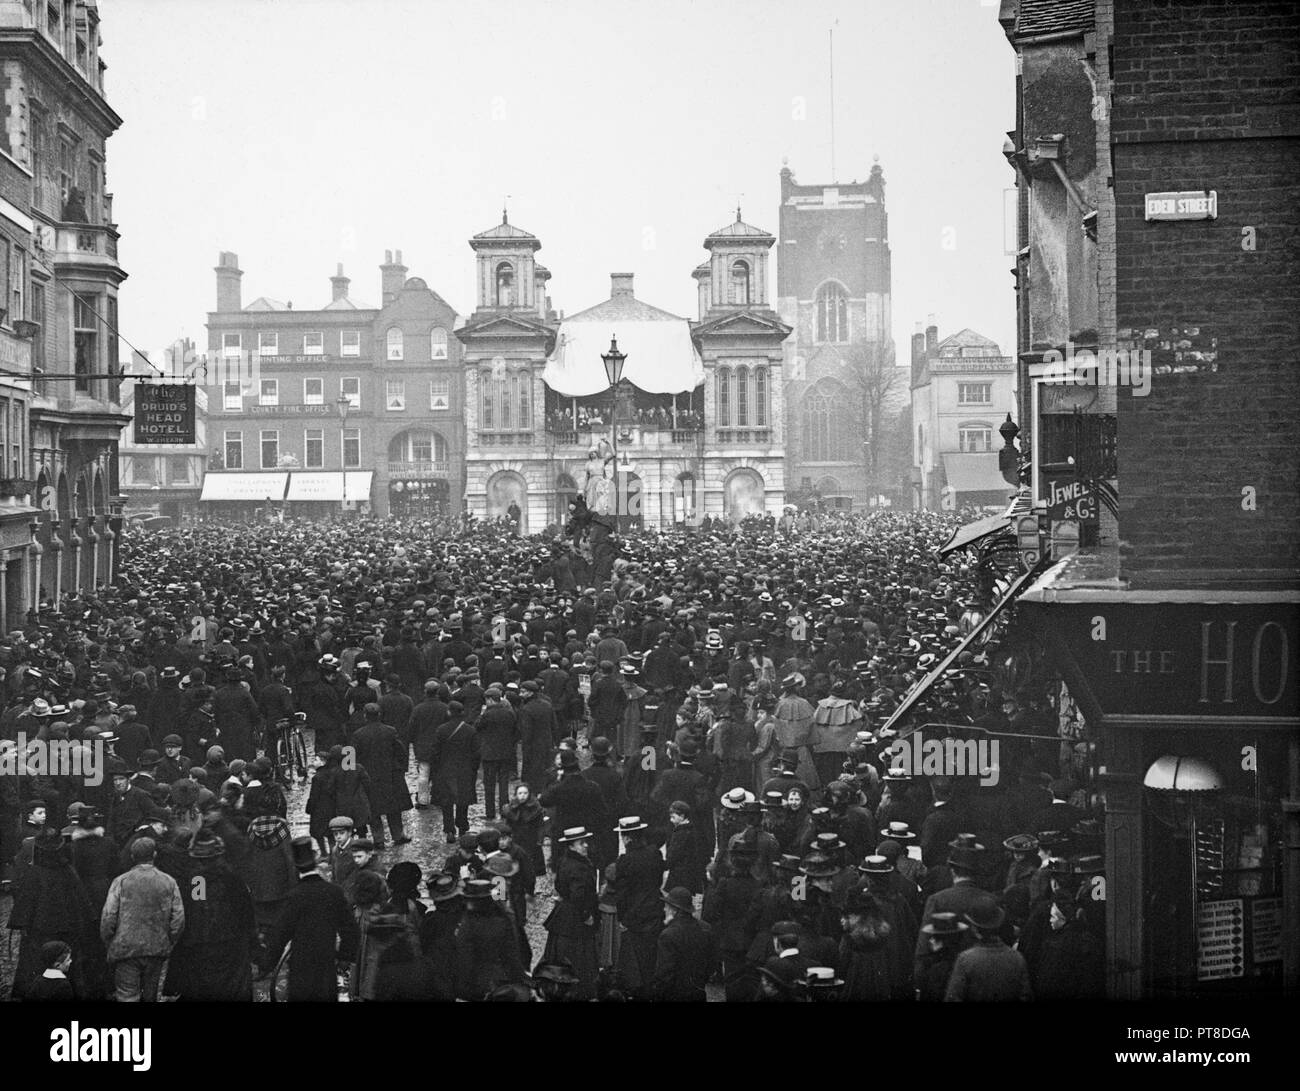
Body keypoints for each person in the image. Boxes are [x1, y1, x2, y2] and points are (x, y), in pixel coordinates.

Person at [260, 837, 359, 1002]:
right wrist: (343, 958)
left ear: (295, 866)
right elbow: (351, 932)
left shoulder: (293, 896)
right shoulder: (333, 892)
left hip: (300, 970)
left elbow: (279, 936)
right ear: (314, 862)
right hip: (326, 966)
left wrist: (266, 963)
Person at [100, 836, 186, 1002]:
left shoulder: (120, 881)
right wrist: (170, 940)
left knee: (127, 995)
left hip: (125, 947)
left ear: (132, 856)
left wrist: (110, 941)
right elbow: (178, 918)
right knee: (151, 995)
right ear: (154, 855)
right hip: (157, 947)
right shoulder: (169, 881)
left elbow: (108, 916)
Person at [542, 826, 599, 1001]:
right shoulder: (579, 867)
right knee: (580, 958)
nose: (586, 846)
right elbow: (578, 896)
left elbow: (559, 886)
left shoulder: (565, 861)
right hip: (576, 919)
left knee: (560, 955)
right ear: (572, 846)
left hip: (564, 915)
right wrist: (586, 915)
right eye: (581, 843)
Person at [351, 703, 412, 848]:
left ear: (365, 716)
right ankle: (397, 835)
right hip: (390, 776)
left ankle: (378, 839)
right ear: (379, 715)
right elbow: (401, 751)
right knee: (394, 807)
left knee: (373, 808)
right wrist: (401, 769)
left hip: (368, 777)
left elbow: (349, 758)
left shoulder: (357, 734)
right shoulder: (390, 731)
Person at [944, 902, 1032, 1002]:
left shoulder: (965, 960)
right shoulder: (1017, 958)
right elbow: (1025, 996)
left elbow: (953, 997)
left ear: (975, 928)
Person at [652, 886, 715, 1002]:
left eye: (666, 906)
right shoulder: (706, 929)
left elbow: (664, 974)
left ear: (674, 910)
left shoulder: (668, 935)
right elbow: (712, 963)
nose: (664, 910)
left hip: (674, 995)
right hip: (698, 992)